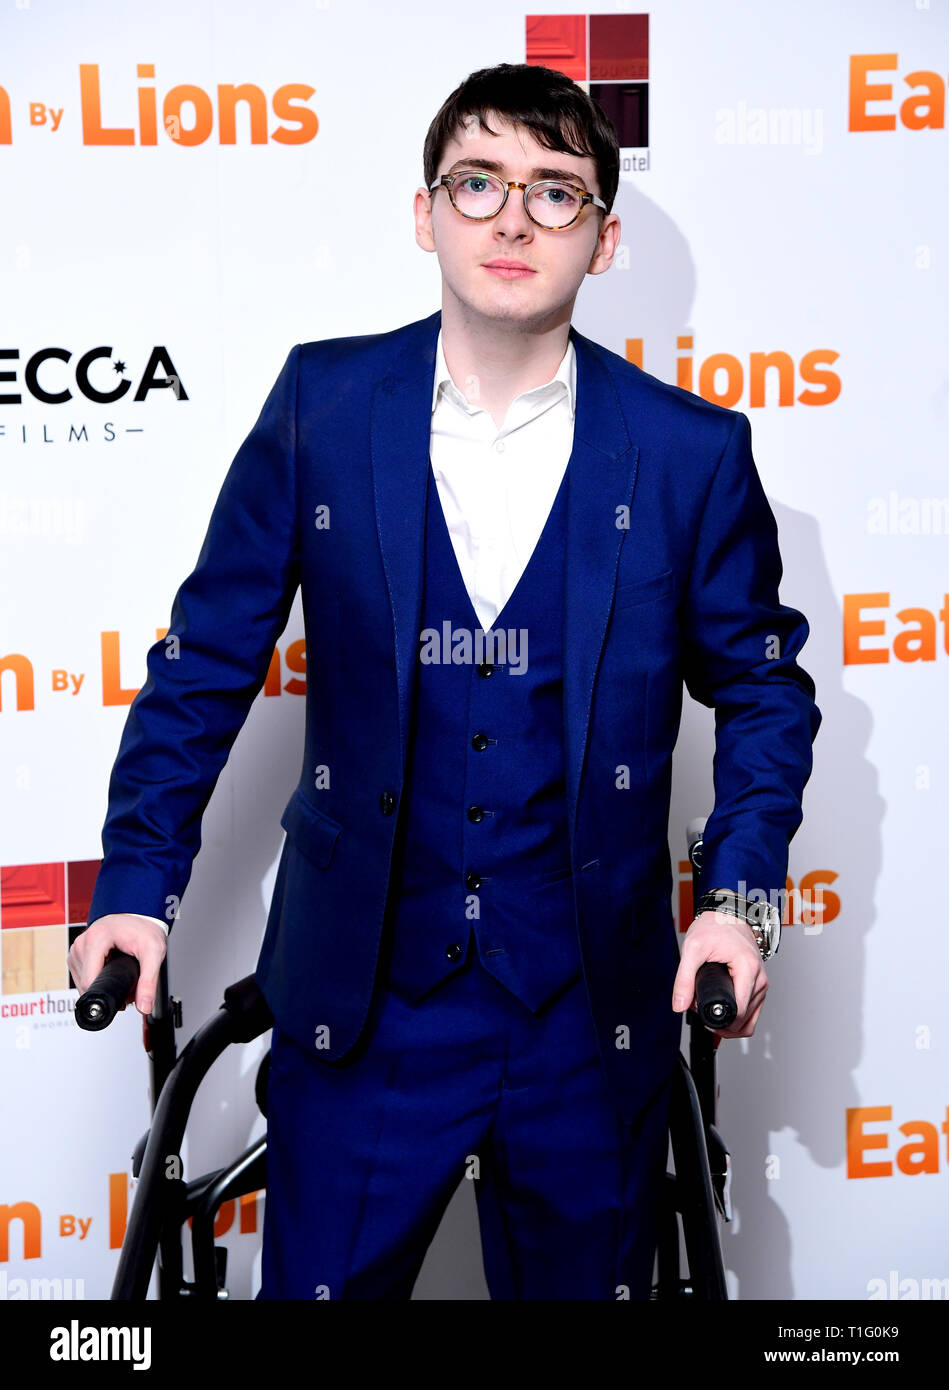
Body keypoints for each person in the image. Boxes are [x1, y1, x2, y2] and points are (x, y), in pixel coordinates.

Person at [69, 62, 820, 1300]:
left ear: (604, 237)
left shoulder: (690, 454)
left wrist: (738, 900)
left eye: (555, 192)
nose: (513, 218)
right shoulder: (324, 404)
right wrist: (135, 887)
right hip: (363, 1009)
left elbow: (764, 691)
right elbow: (204, 663)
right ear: (425, 214)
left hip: (590, 1016)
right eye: (478, 183)